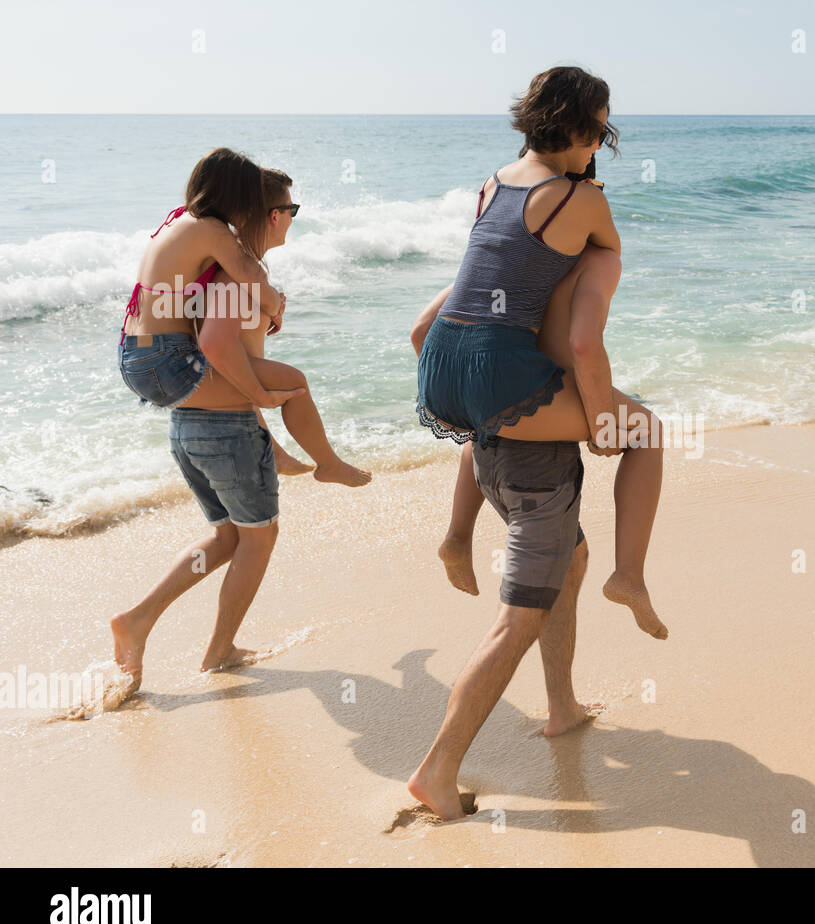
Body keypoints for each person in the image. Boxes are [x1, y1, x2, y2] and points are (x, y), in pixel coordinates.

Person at [407, 66, 665, 821]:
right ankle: (438, 766)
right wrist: (601, 419)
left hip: (446, 361)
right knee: (643, 431)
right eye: (603, 132)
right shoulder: (582, 202)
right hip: (500, 378)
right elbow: (584, 342)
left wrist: (454, 371)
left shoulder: (493, 184)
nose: (602, 148)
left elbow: (444, 307)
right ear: (583, 128)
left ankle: (561, 702)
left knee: (565, 561)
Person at [111, 156, 367, 693]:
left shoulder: (194, 237)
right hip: (194, 401)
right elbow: (216, 344)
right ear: (266, 211)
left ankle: (141, 621)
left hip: (165, 386)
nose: (294, 217)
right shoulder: (225, 257)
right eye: (291, 208)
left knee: (227, 536)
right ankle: (326, 463)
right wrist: (269, 315)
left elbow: (217, 347)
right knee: (289, 390)